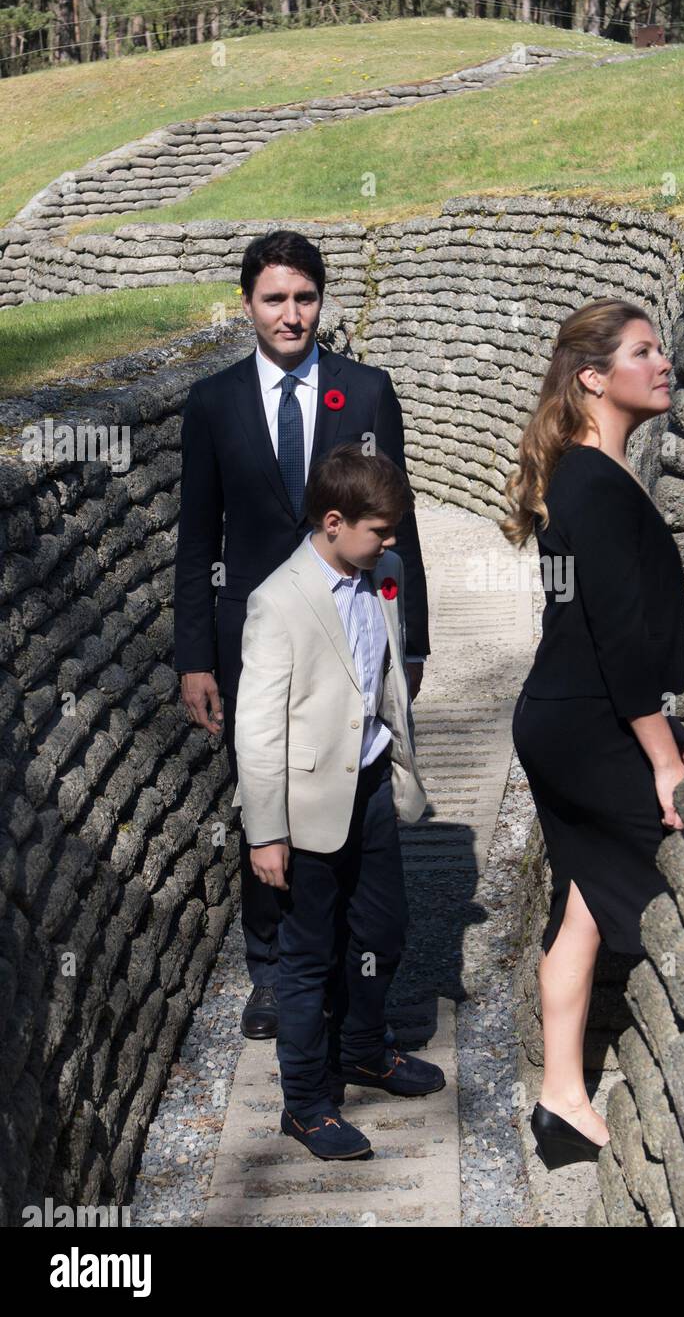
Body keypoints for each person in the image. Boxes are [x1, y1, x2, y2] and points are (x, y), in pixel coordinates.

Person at [173, 229, 430, 1040]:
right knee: (265, 797)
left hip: (351, 634)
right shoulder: (213, 404)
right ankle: (275, 972)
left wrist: (410, 640)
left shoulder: (364, 392)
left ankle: (353, 967)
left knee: (351, 795)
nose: (291, 314)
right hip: (251, 639)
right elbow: (195, 538)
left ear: (323, 300)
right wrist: (193, 659)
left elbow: (401, 527)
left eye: (305, 297)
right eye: (275, 299)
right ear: (247, 305)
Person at [500, 298, 684, 1170]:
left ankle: (561, 1101)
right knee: (682, 881)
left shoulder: (577, 478)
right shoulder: (596, 483)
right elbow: (619, 639)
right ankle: (589, 1095)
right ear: (594, 377)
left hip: (560, 719)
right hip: (592, 727)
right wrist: (664, 760)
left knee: (582, 908)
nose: (663, 364)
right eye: (643, 352)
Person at [232, 442, 443, 1159]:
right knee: (308, 959)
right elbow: (256, 731)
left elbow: (382, 678)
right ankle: (306, 1103)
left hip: (373, 787)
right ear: (332, 521)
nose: (390, 543)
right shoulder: (277, 602)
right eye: (379, 530)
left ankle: (364, 1051)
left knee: (383, 933)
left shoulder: (383, 572)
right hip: (301, 810)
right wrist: (265, 833)